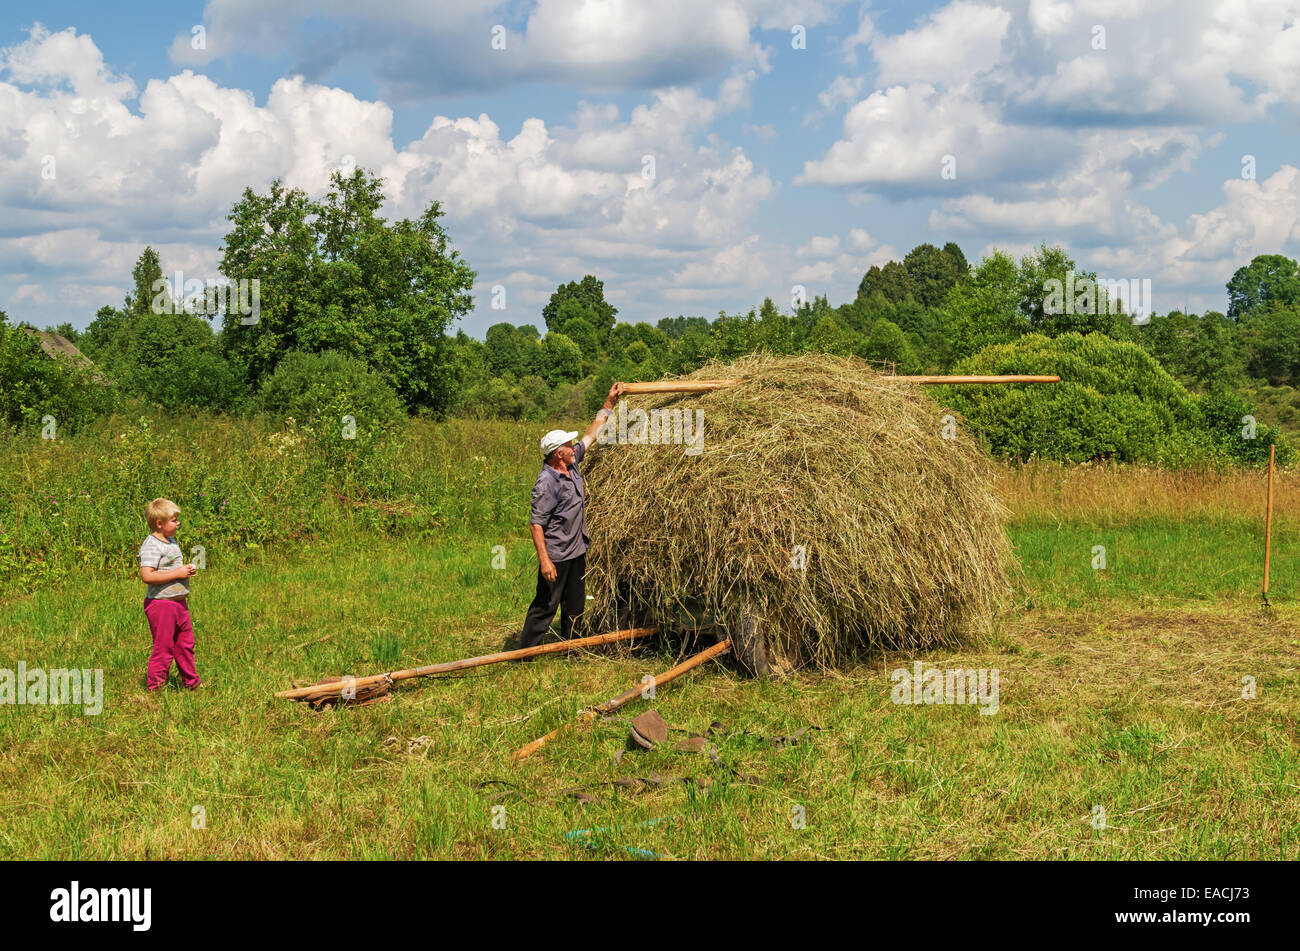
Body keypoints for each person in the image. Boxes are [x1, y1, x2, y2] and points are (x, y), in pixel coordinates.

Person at [518, 383, 621, 651]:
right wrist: (545, 562)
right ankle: (524, 653)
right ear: (557, 454)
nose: (573, 447)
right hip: (556, 556)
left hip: (576, 551)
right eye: (567, 445)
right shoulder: (546, 483)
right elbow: (536, 524)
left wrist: (608, 402)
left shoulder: (572, 465)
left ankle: (571, 649)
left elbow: (591, 433)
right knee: (546, 606)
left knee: (575, 605)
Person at [138, 498, 202, 691]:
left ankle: (192, 684)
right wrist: (177, 573)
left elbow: (172, 567)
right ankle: (156, 688)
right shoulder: (151, 545)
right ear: (159, 524)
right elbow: (146, 575)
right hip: (161, 605)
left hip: (179, 604)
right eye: (174, 520)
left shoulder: (172, 542)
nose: (178, 523)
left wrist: (186, 570)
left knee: (185, 645)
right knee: (163, 648)